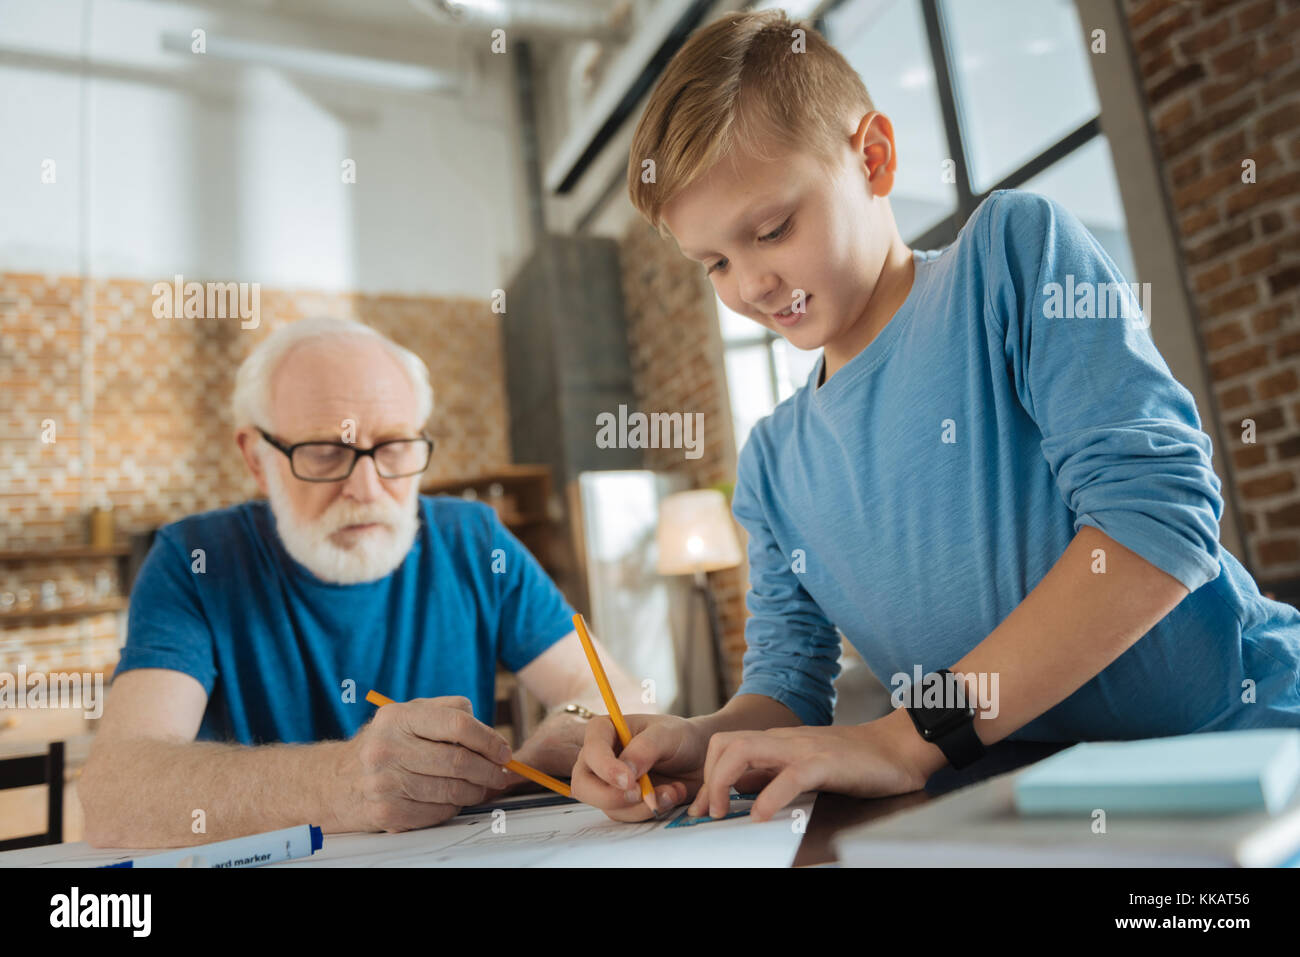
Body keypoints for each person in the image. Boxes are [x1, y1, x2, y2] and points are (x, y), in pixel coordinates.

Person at [572, 10, 1300, 824]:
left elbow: (1158, 520)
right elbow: (787, 686)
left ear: (873, 158)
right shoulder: (774, 459)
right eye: (714, 262)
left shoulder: (1009, 257)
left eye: (772, 230)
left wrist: (909, 737)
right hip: (1023, 805)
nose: (750, 285)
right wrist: (700, 738)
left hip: (1246, 748)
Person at [79, 317, 661, 847]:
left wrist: (574, 731)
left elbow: (621, 697)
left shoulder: (475, 542)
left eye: (393, 447)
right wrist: (341, 782)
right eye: (327, 453)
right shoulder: (195, 559)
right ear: (257, 458)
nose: (366, 488)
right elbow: (115, 795)